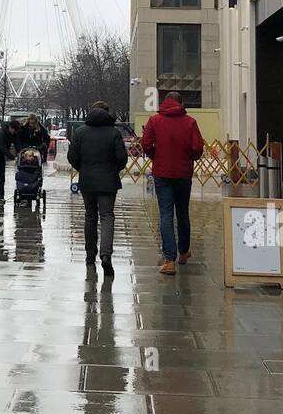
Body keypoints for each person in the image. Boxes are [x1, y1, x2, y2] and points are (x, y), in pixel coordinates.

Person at [141, 90, 205, 276]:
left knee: (166, 214)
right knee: (183, 212)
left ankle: (170, 259)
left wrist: (156, 156)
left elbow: (146, 143)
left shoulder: (154, 121)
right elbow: (197, 147)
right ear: (181, 103)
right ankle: (183, 252)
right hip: (183, 173)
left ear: (164, 102)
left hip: (162, 173)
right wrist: (190, 158)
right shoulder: (190, 122)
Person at [68, 101, 128, 276]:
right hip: (109, 181)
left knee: (90, 216)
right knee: (107, 216)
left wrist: (83, 169)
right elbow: (122, 158)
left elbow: (72, 156)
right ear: (107, 113)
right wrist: (112, 170)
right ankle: (106, 255)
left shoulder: (80, 132)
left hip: (87, 180)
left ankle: (89, 255)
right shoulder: (114, 133)